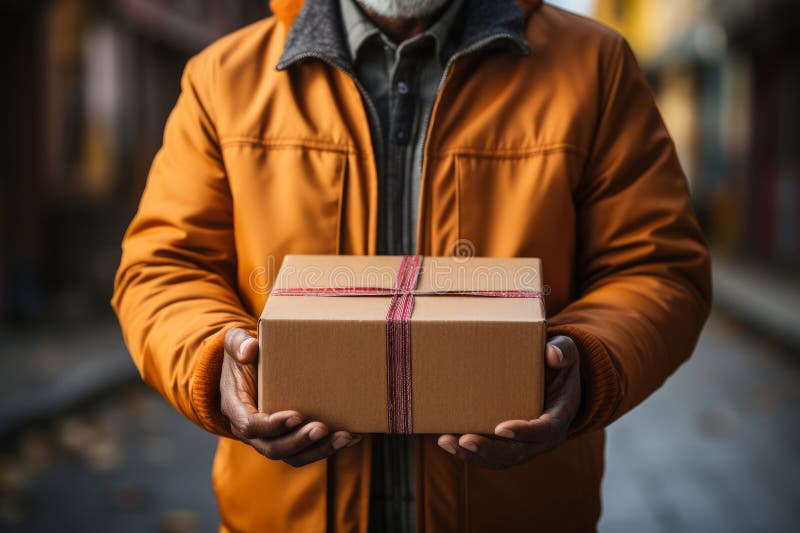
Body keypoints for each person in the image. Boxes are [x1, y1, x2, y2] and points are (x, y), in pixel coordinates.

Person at [112, 0, 712, 530]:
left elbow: (658, 268)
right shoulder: (223, 79)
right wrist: (214, 359)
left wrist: (590, 361)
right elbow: (162, 267)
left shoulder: (595, 67)